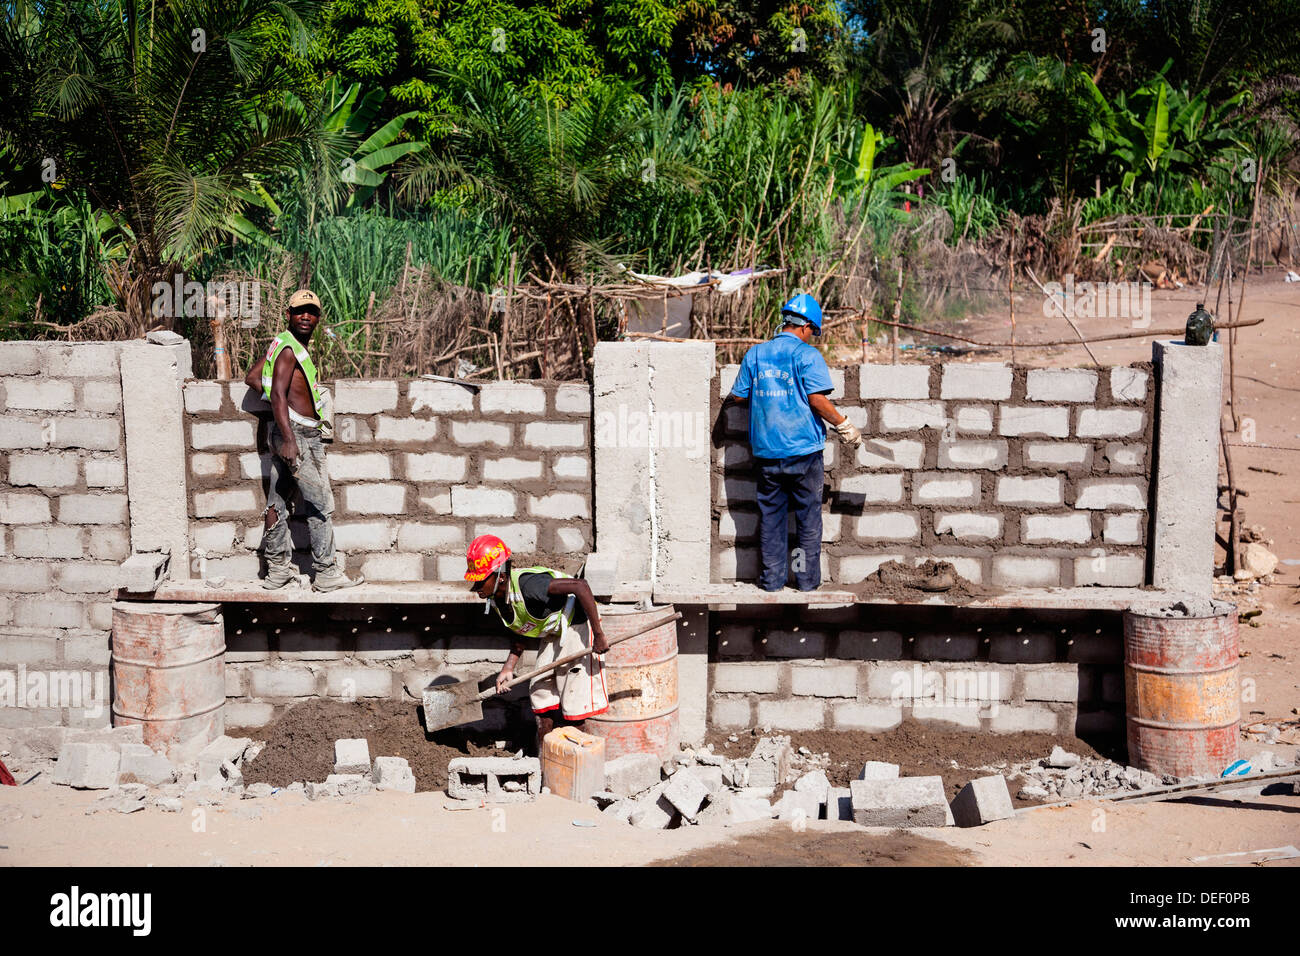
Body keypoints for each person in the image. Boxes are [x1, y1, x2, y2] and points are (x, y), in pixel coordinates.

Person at [715, 293, 862, 591]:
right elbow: (817, 399)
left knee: (772, 521)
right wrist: (844, 425)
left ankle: (772, 582)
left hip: (767, 453)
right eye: (813, 332)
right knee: (806, 522)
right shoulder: (806, 356)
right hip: (804, 453)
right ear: (806, 326)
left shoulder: (756, 354)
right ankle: (805, 581)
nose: (812, 338)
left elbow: (739, 396)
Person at [243, 289, 361, 592]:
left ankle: (278, 571)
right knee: (321, 503)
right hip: (298, 437)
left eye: (311, 312)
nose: (305, 317)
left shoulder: (283, 345)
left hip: (287, 431)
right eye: (299, 311)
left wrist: (286, 417)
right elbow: (278, 394)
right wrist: (291, 434)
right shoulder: (287, 351)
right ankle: (326, 572)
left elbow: (253, 377)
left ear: (318, 318)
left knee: (277, 503)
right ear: (289, 315)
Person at [464, 534, 610, 747]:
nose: (475, 586)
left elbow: (580, 586)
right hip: (553, 631)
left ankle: (578, 757)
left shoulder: (530, 585)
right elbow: (520, 627)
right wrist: (508, 668)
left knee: (574, 693)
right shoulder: (497, 598)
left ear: (500, 577)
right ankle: (544, 755)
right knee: (540, 688)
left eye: (480, 579)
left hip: (576, 623)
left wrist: (598, 635)